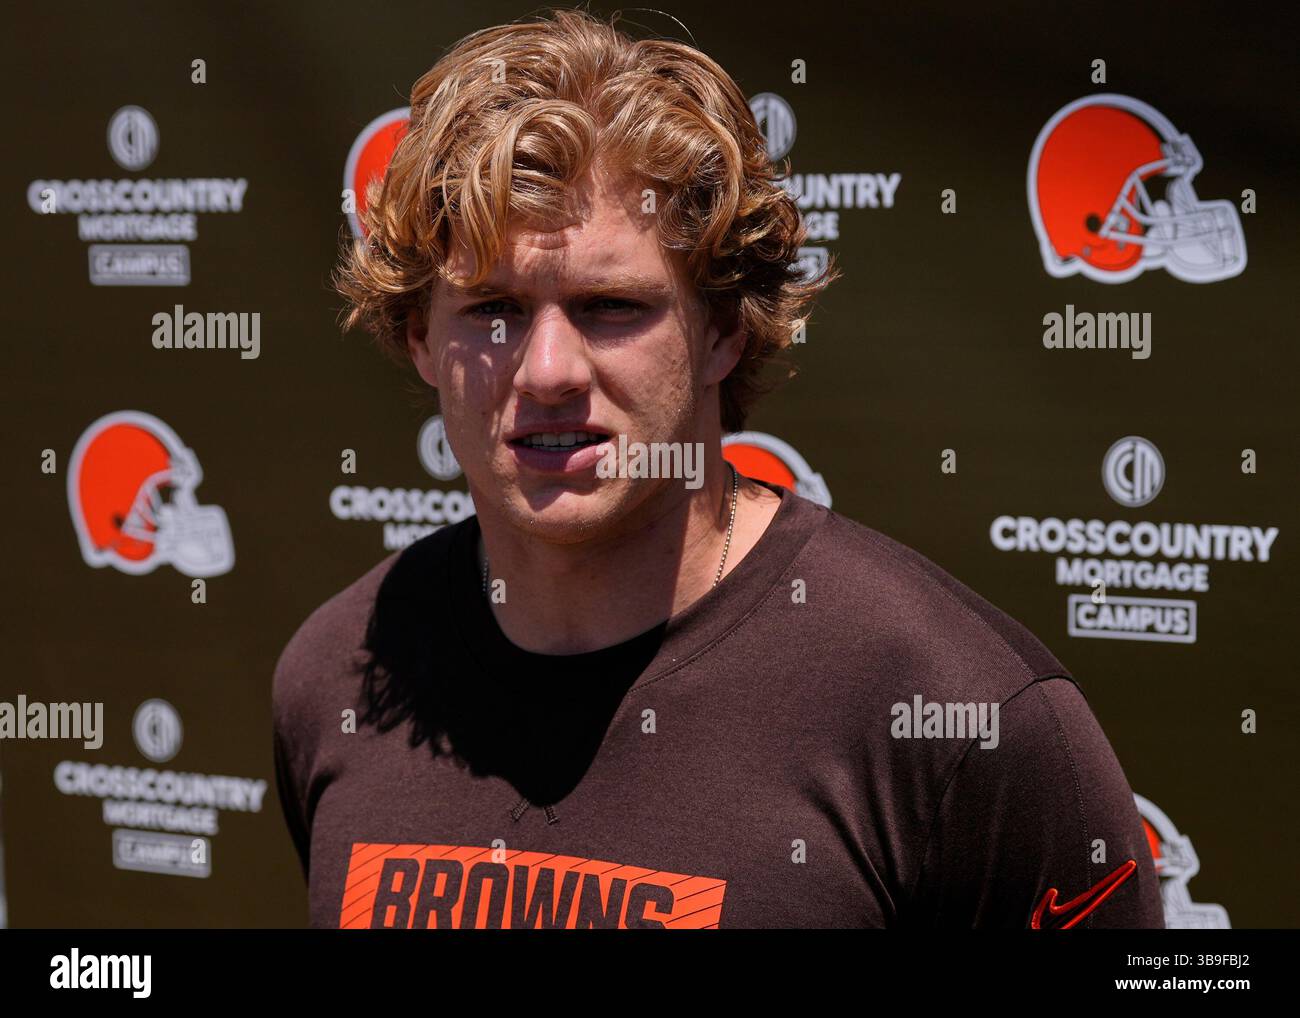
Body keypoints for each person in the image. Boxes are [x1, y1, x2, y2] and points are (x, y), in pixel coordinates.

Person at [272, 8, 1162, 929]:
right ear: (421, 337)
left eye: (611, 306)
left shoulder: (966, 717)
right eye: (491, 308)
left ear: (725, 332)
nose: (547, 371)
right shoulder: (337, 673)